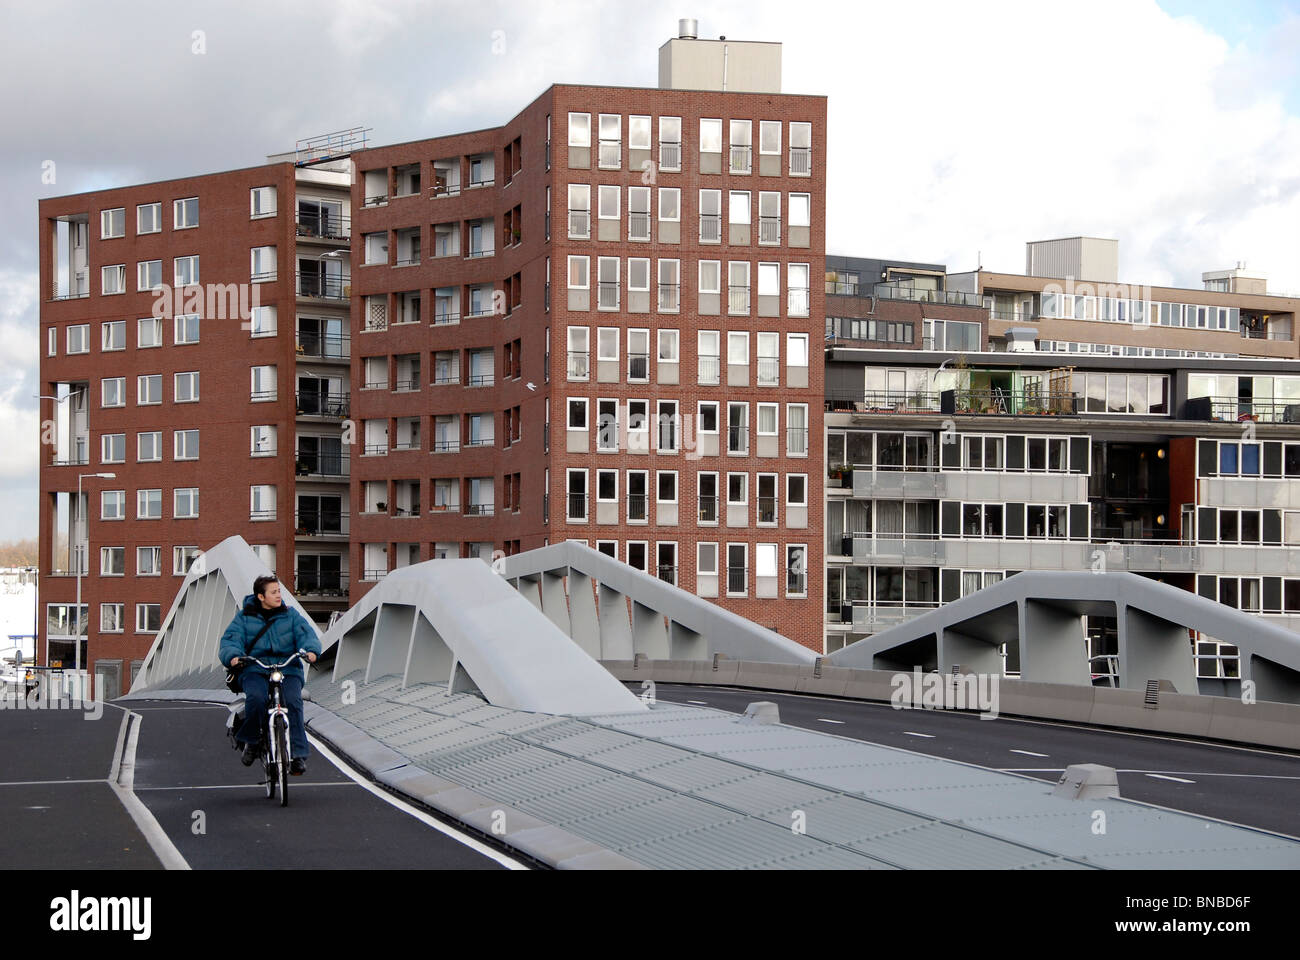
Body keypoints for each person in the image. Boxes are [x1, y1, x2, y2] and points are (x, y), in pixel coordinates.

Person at [218, 575, 322, 775]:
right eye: (273, 592)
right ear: (260, 596)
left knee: (293, 702)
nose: (278, 596)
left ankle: (298, 755)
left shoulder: (291, 615)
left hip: (288, 667)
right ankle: (251, 742)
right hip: (255, 668)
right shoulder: (244, 618)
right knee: (256, 699)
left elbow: (306, 634)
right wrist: (233, 656)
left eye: (279, 591)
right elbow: (231, 640)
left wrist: (311, 651)